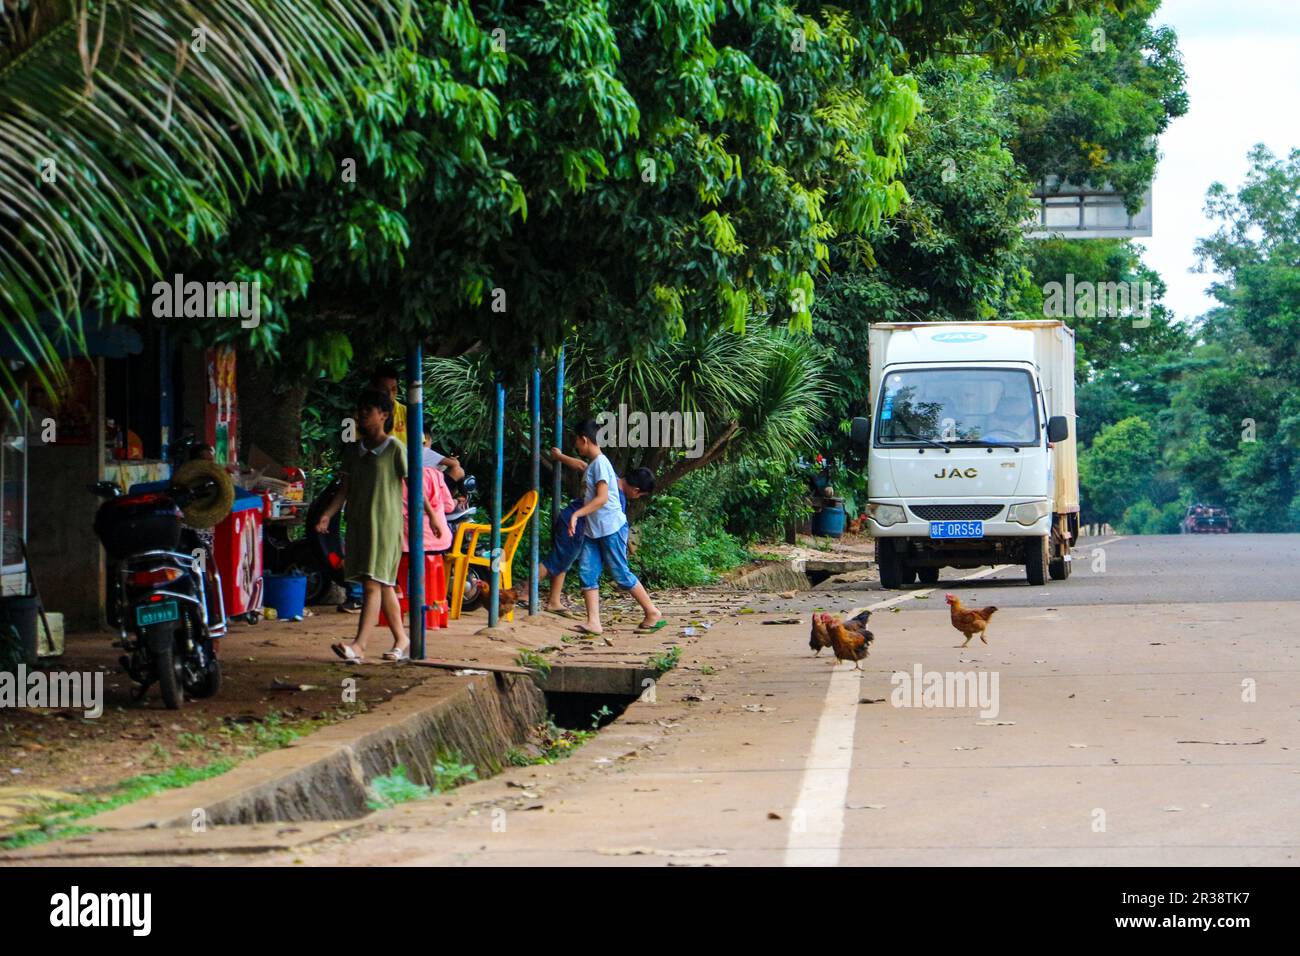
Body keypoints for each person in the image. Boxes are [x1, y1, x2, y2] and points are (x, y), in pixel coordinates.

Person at [316, 388, 409, 662]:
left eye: (368, 411)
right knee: (383, 583)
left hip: (386, 526)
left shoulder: (395, 449)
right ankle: (402, 639)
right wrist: (328, 514)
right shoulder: (354, 451)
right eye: (361, 411)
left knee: (372, 583)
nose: (362, 416)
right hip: (359, 524)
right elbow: (345, 489)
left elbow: (412, 485)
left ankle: (359, 646)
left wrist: (433, 517)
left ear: (384, 415)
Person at [564, 419, 663, 636]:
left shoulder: (600, 463)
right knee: (587, 572)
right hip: (594, 529)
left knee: (620, 573)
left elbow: (601, 499)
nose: (575, 445)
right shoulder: (595, 464)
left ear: (584, 439)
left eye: (576, 441)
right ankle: (593, 622)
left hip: (610, 528)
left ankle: (652, 611)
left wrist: (576, 515)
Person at [540, 455, 654, 617]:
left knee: (579, 567)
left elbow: (582, 465)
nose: (637, 498)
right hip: (591, 529)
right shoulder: (612, 485)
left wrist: (559, 456)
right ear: (636, 490)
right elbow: (604, 508)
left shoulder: (608, 475)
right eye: (640, 495)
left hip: (591, 530)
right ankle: (649, 611)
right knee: (590, 570)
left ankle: (649, 611)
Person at [370, 366, 465, 481]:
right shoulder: (359, 417)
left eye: (394, 389)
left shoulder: (408, 413)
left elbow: (419, 450)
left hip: (404, 474)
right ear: (374, 389)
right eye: (384, 390)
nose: (390, 394)